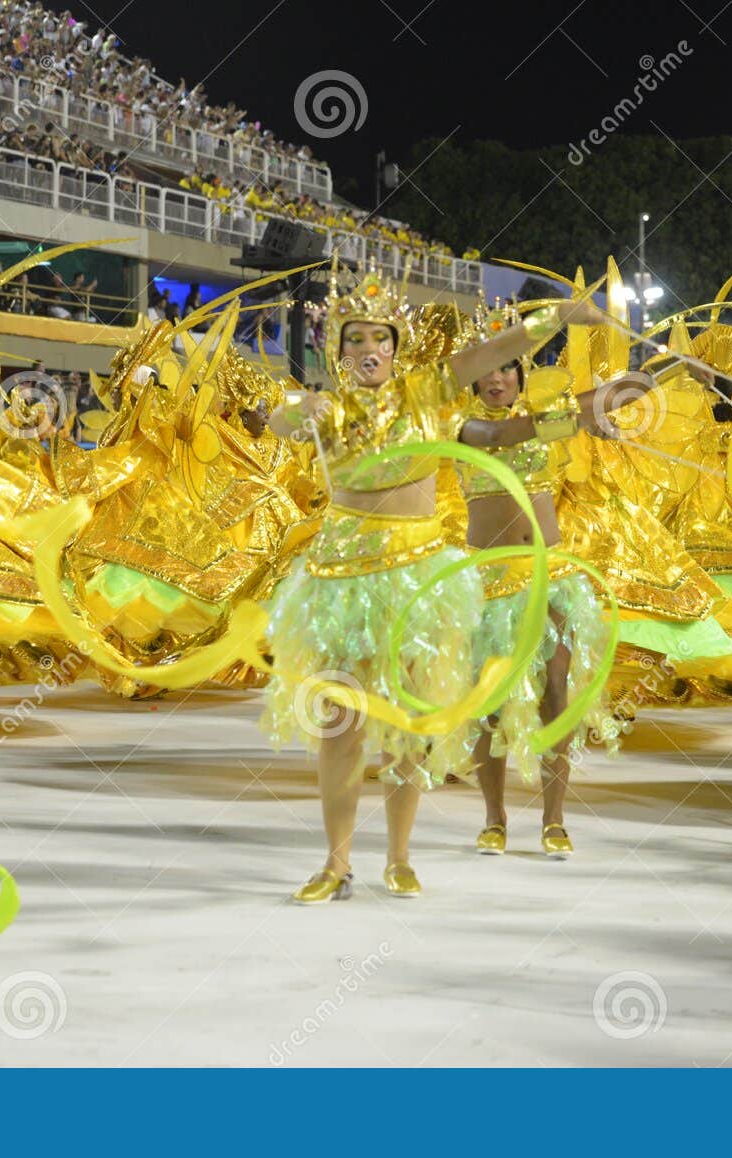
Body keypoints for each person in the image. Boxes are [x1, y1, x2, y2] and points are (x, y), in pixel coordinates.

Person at [265, 264, 608, 903]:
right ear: (338, 351)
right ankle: (336, 863)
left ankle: (399, 855)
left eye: (381, 339)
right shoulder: (329, 410)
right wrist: (296, 407)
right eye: (357, 340)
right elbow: (276, 421)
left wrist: (558, 316)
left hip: (415, 575)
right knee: (340, 721)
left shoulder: (427, 393)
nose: (370, 351)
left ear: (397, 348)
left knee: (412, 719)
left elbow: (495, 349)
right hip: (342, 580)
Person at [452, 303, 651, 857]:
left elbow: (618, 394)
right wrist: (583, 417)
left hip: (549, 573)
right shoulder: (460, 425)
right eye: (488, 368)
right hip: (488, 578)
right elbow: (502, 435)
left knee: (555, 693)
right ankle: (493, 818)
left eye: (508, 368)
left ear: (521, 373)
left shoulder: (548, 415)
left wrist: (665, 370)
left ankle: (554, 818)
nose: (496, 378)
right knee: (488, 699)